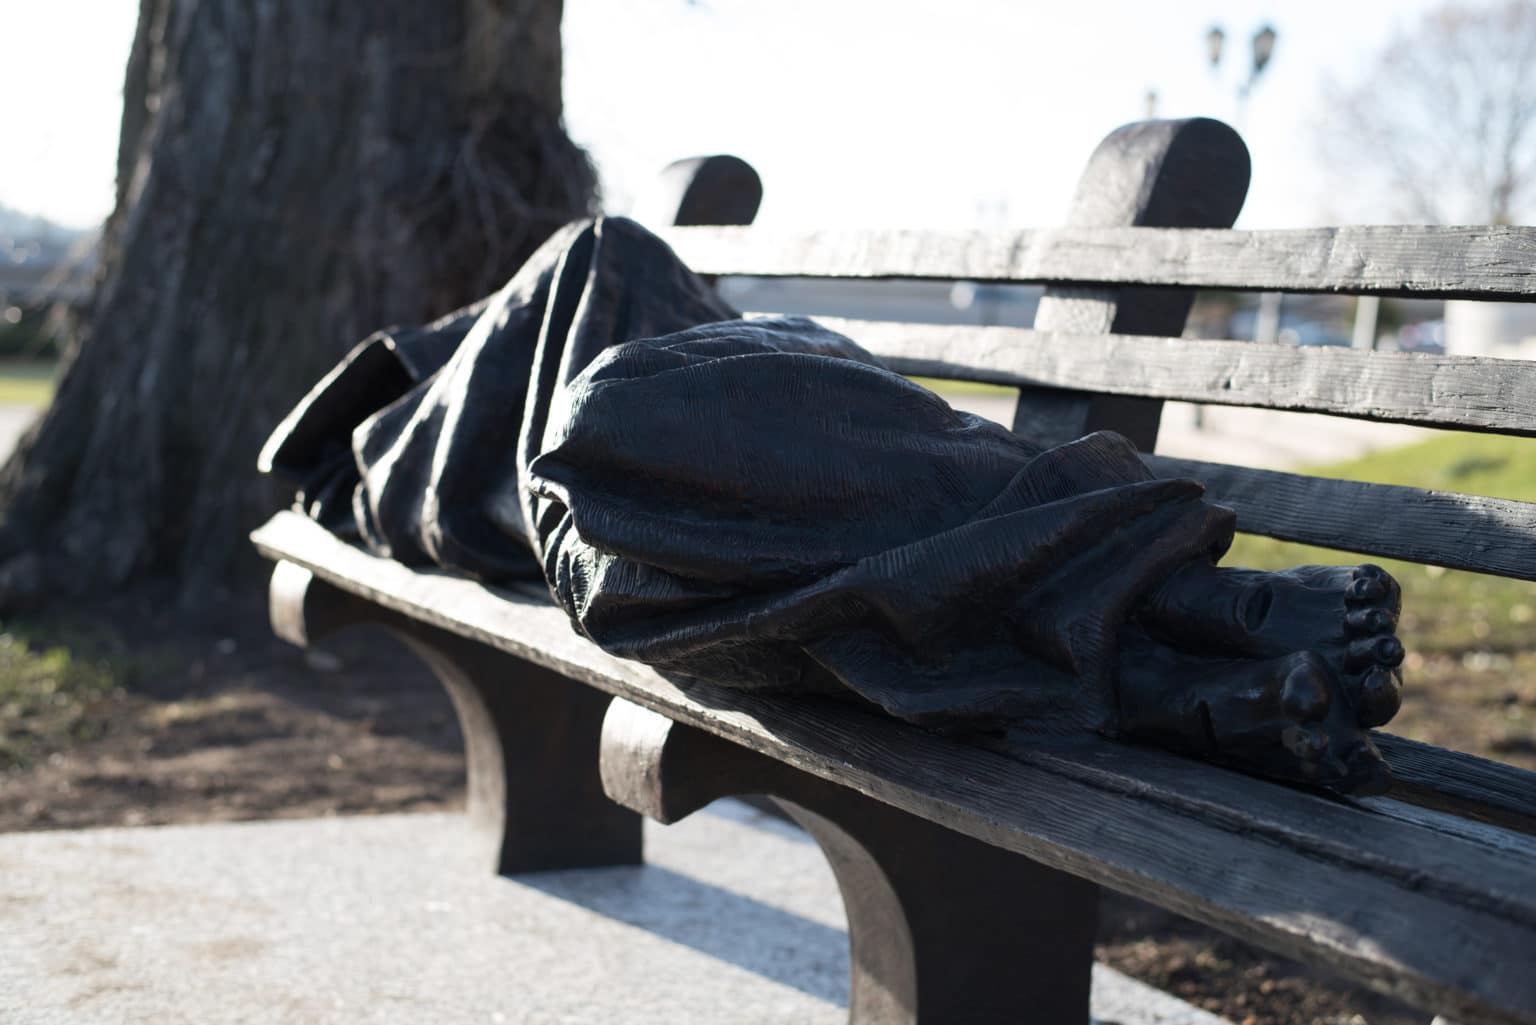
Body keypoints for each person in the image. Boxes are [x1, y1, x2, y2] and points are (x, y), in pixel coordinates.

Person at [262, 217, 1405, 794]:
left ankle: (1151, 659)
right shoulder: (381, 447)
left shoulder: (455, 372)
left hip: (665, 421)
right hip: (599, 480)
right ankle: (1163, 632)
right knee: (621, 485)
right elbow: (479, 439)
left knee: (684, 428)